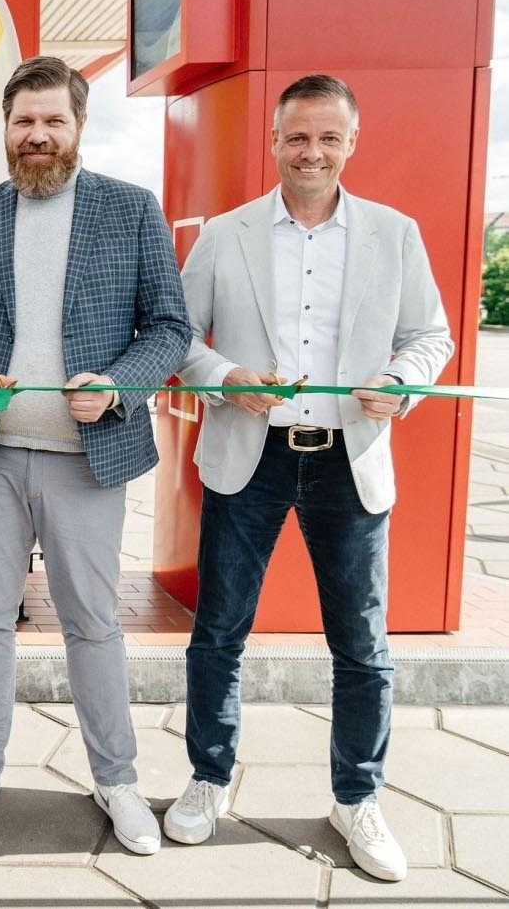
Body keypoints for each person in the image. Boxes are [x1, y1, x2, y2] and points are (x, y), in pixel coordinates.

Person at [164, 74, 453, 881]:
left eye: (328, 137)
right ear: (274, 141)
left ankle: (355, 797)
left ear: (351, 143)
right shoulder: (225, 234)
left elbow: (432, 335)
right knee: (218, 632)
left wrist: (402, 381)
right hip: (247, 459)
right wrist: (222, 374)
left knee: (361, 643)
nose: (311, 152)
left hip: (348, 461)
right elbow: (176, 336)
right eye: (297, 137)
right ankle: (206, 779)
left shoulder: (394, 234)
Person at [0, 56, 189, 855]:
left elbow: (168, 328)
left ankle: (117, 778)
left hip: (86, 460)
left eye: (52, 121)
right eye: (22, 122)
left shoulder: (131, 210)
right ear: (4, 129)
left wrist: (118, 386)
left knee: (93, 625)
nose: (37, 135)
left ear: (77, 127)